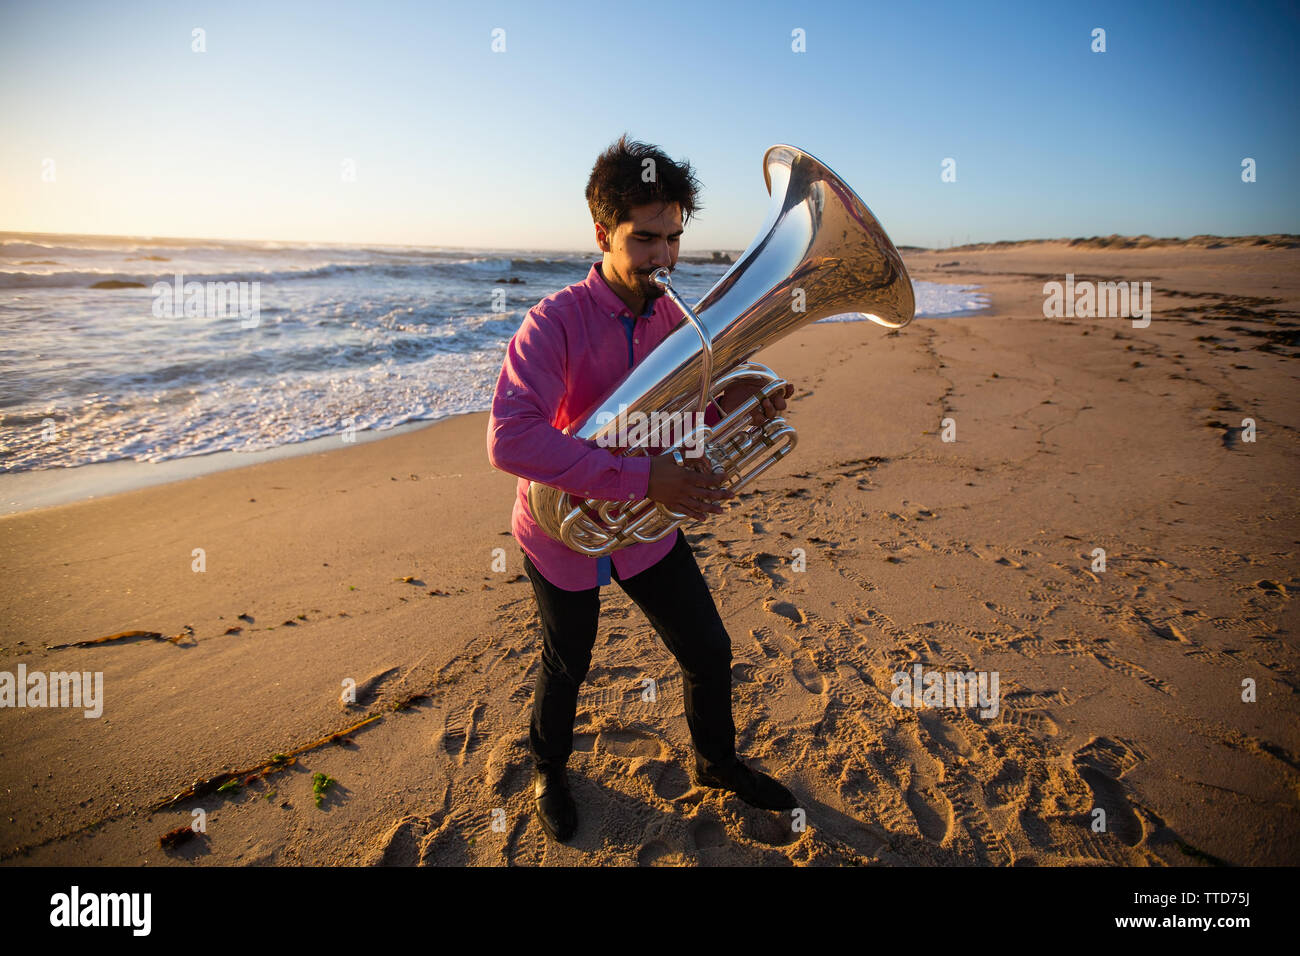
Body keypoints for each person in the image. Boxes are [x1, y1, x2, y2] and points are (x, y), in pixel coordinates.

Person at [486, 134, 797, 844]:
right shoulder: (555, 322)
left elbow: (687, 418)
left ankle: (717, 763)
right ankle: (548, 767)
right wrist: (643, 475)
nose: (663, 257)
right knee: (568, 661)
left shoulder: (675, 323)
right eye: (645, 238)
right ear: (603, 232)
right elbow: (510, 438)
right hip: (564, 529)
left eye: (674, 239)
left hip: (646, 528)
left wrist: (745, 401)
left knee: (708, 650)